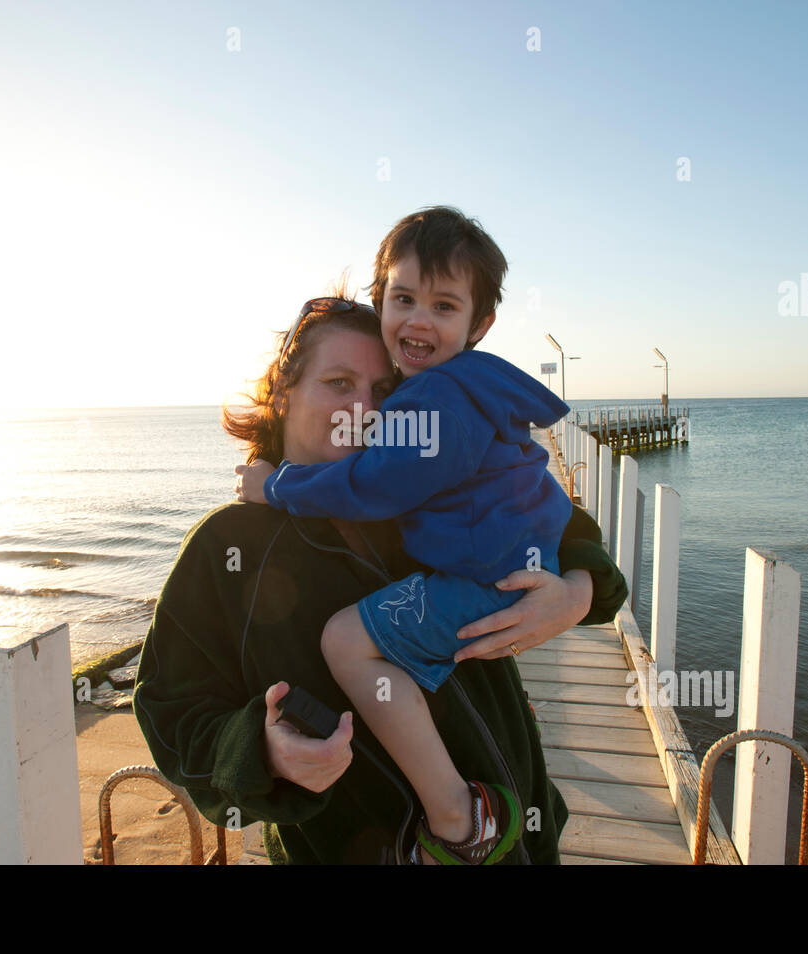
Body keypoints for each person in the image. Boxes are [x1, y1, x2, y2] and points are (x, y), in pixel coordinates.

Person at [134, 287, 628, 865]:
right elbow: (171, 711)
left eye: (383, 391)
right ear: (283, 393)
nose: (364, 412)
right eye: (339, 384)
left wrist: (575, 592)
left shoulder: (428, 487)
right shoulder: (228, 547)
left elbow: (571, 534)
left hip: (518, 833)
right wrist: (262, 752)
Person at [235, 207, 574, 864]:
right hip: (513, 570)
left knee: (347, 642)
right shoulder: (473, 386)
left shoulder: (438, 398)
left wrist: (276, 486)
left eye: (443, 306)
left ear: (479, 325)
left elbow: (373, 485)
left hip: (491, 583)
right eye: (403, 299)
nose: (419, 320)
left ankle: (455, 818)